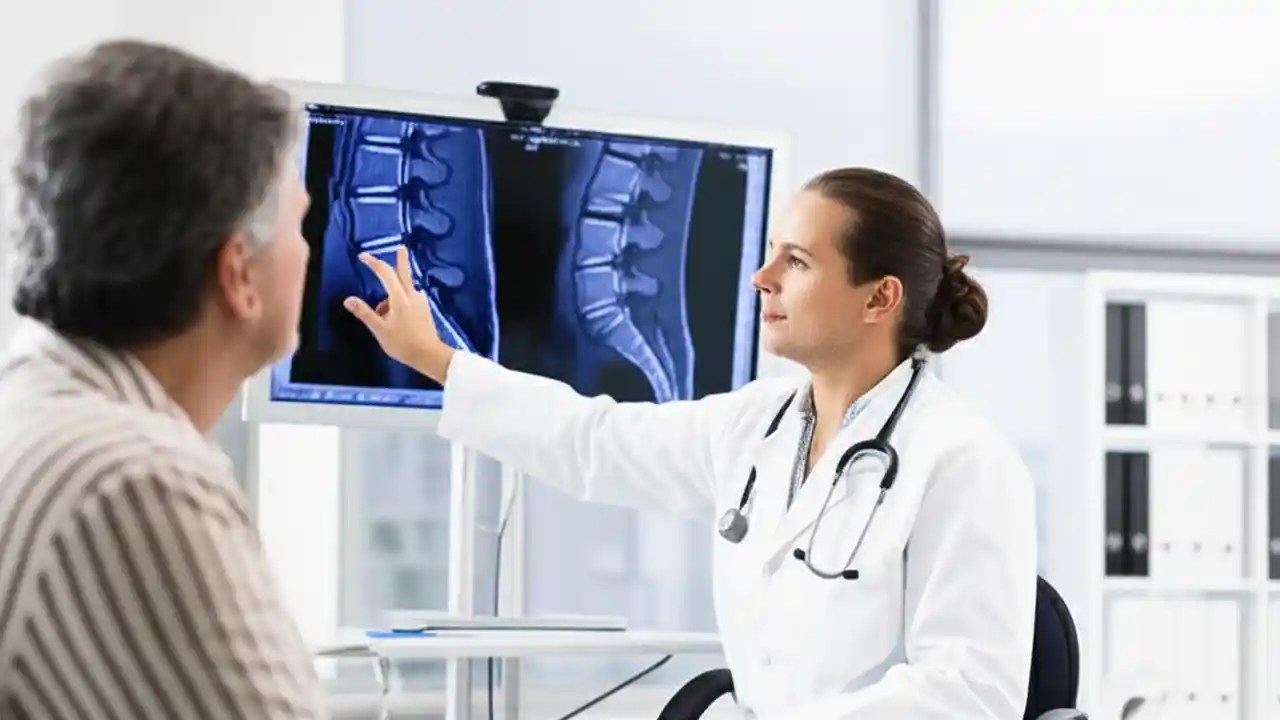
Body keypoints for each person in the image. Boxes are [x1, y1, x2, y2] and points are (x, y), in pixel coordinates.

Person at [347, 167, 1038, 718]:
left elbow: (969, 693)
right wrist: (438, 360)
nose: (761, 279)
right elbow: (595, 440)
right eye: (771, 255)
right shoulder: (756, 424)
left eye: (796, 261)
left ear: (878, 299)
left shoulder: (963, 461)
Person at [0, 41, 325, 718]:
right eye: (301, 224)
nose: (309, 251)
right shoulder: (135, 480)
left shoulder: (36, 410)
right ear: (238, 272)